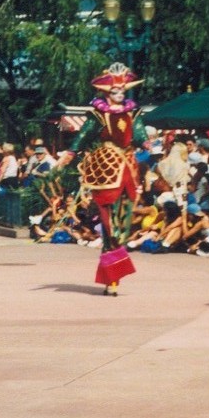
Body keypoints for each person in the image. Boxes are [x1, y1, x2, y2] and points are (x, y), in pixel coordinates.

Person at [58, 62, 143, 295]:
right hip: (106, 166)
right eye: (115, 90)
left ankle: (112, 274)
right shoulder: (98, 115)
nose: (119, 94)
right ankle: (112, 277)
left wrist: (149, 144)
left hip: (126, 167)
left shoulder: (132, 112)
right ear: (106, 92)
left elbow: (140, 134)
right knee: (109, 226)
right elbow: (84, 135)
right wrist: (70, 152)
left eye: (122, 90)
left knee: (121, 224)